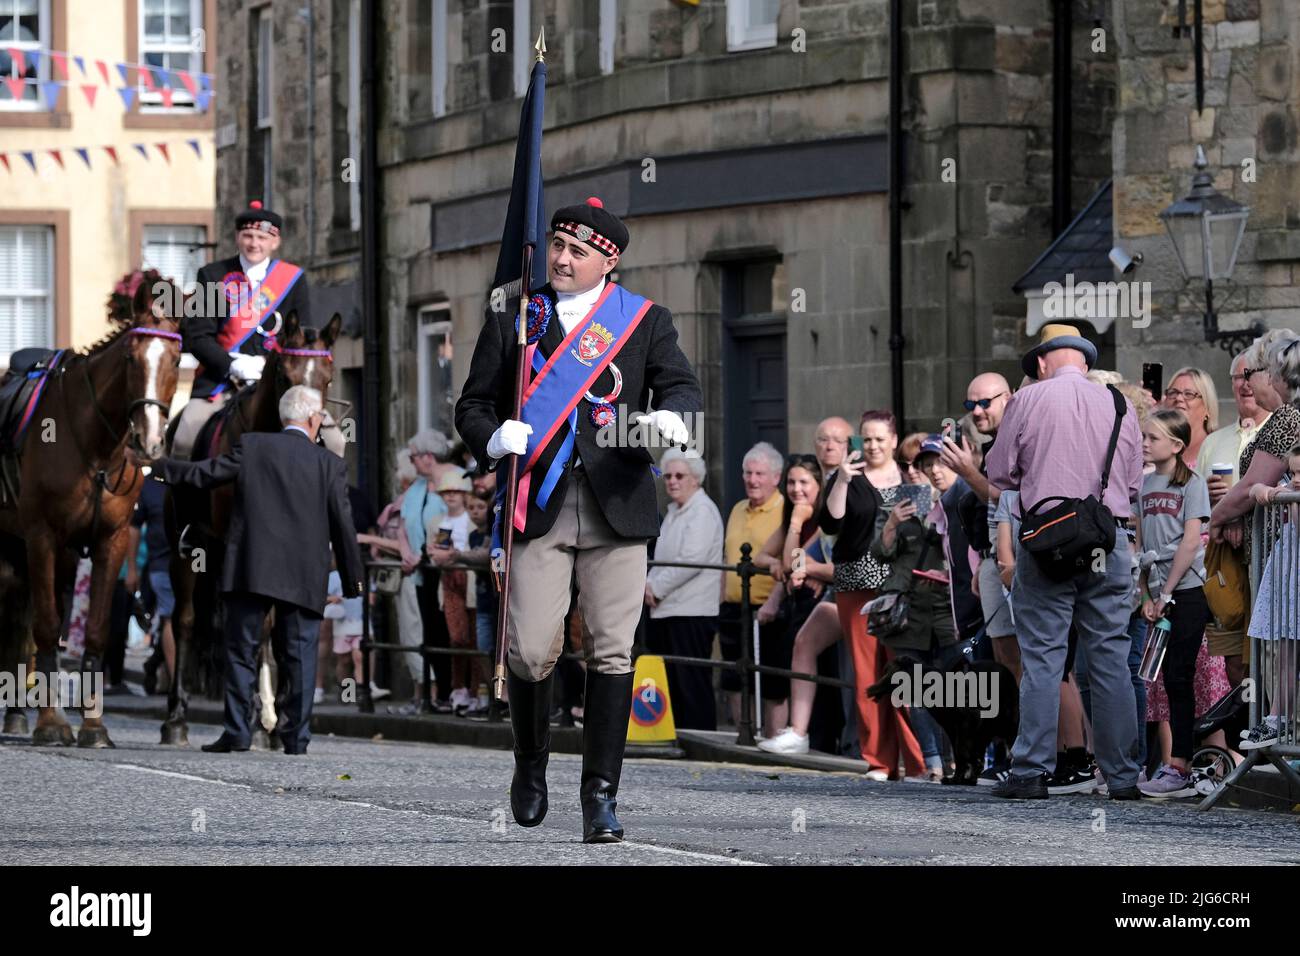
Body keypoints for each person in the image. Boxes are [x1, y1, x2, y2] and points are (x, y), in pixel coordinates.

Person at [455, 196, 702, 843]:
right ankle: (531, 762)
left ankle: (601, 796)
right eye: (558, 247)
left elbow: (679, 386)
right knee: (532, 650)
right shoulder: (517, 313)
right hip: (538, 503)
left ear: (609, 263)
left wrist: (672, 415)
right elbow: (472, 403)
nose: (562, 259)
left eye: (578, 252)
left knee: (613, 653)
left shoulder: (644, 321)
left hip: (617, 505)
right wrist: (494, 437)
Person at [152, 385, 364, 754]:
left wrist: (158, 467)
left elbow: (204, 474)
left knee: (241, 651)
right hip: (302, 573)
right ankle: (296, 738)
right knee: (299, 655)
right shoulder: (330, 464)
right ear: (314, 419)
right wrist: (352, 580)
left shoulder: (251, 447)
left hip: (251, 568)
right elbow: (343, 526)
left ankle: (237, 730)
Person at [986, 324, 1144, 799]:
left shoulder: (1028, 400)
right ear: (1086, 362)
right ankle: (1123, 778)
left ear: (1040, 362)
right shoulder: (1119, 404)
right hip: (1106, 538)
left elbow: (999, 474)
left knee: (1043, 659)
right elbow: (1133, 485)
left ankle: (1030, 771)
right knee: (1111, 659)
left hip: (1048, 541)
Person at [819, 410, 926, 780]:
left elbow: (926, 528)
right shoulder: (846, 476)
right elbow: (830, 523)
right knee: (867, 675)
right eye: (867, 439)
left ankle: (919, 761)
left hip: (903, 588)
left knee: (907, 673)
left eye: (880, 438)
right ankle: (879, 761)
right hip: (856, 585)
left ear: (894, 440)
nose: (874, 445)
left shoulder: (911, 477)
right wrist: (841, 483)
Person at [172, 201, 312, 461]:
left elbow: (303, 337)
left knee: (336, 440)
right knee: (184, 439)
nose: (254, 243)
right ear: (237, 237)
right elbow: (197, 336)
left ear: (275, 241)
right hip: (220, 382)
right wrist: (231, 365)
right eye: (247, 235)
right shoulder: (213, 275)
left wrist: (270, 364)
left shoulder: (293, 279)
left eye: (262, 237)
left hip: (279, 384)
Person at [1134, 409, 1212, 798]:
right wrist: (1147, 594)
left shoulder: (1192, 484)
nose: (1145, 443)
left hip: (1188, 591)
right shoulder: (1143, 487)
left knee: (1180, 674)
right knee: (1167, 679)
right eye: (1143, 437)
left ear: (1177, 445)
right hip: (1160, 594)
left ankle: (1181, 763)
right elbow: (1140, 546)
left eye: (1153, 438)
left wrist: (1166, 593)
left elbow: (1191, 540)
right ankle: (1176, 762)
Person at [868, 441, 953, 782]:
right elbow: (879, 553)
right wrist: (891, 523)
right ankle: (931, 762)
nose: (916, 471)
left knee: (950, 686)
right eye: (909, 465)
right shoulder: (895, 504)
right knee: (915, 687)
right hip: (908, 609)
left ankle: (953, 760)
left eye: (924, 464)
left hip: (945, 606)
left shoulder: (950, 501)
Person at [941, 373, 1018, 676]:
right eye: (971, 403)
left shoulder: (1018, 439)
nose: (976, 411)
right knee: (1003, 656)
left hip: (1015, 562)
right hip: (993, 560)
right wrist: (985, 564)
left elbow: (1010, 501)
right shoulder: (993, 444)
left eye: (985, 402)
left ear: (1008, 398)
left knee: (1029, 660)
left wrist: (968, 472)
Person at [751, 455, 831, 741]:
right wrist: (773, 564)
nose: (797, 489)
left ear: (819, 485)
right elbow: (766, 556)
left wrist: (797, 524)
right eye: (791, 482)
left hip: (818, 605)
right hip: (797, 603)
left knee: (822, 677)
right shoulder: (793, 513)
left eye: (804, 482)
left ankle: (817, 737)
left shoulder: (823, 517)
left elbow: (792, 562)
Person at [644, 449, 724, 731]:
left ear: (696, 479)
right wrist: (651, 584)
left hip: (692, 610)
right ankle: (680, 732)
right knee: (675, 680)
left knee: (691, 680)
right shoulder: (675, 512)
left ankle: (699, 734)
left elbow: (692, 561)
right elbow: (661, 556)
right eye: (667, 476)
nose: (672, 481)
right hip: (669, 608)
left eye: (680, 476)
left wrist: (655, 586)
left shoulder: (701, 511)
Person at [718, 442, 786, 729]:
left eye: (759, 474)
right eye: (748, 473)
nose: (752, 480)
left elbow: (786, 560)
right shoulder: (737, 509)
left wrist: (774, 601)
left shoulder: (785, 509)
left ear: (776, 477)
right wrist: (721, 598)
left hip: (767, 609)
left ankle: (772, 736)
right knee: (734, 677)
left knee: (772, 681)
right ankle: (744, 731)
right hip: (733, 607)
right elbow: (727, 555)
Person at [398, 429, 461, 712]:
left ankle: (453, 693)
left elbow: (455, 521)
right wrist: (406, 554)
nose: (411, 463)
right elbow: (403, 523)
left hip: (446, 569)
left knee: (452, 632)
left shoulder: (455, 480)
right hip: (421, 569)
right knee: (431, 632)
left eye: (413, 457)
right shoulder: (418, 487)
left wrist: (425, 553)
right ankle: (438, 695)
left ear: (427, 457)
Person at [427, 470, 476, 713]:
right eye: (447, 492)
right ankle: (459, 689)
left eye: (456, 491)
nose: (451, 496)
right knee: (457, 638)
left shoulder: (473, 519)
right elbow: (432, 553)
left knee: (476, 638)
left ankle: (478, 690)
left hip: (472, 579)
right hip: (448, 580)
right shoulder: (437, 521)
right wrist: (436, 554)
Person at [130, 474, 175, 695]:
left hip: (193, 563)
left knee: (176, 620)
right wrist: (132, 569)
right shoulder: (149, 486)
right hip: (161, 563)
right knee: (170, 618)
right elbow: (134, 526)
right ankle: (177, 682)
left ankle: (156, 665)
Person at [1160, 367, 1219, 470]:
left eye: (1189, 394)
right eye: (1173, 393)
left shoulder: (1218, 448)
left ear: (1207, 407)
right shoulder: (1151, 443)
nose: (1178, 398)